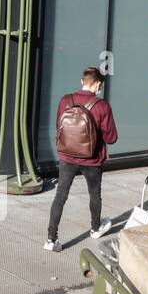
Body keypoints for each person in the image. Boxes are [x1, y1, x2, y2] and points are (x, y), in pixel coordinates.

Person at [45, 66, 118, 252]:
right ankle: (95, 228)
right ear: (98, 84)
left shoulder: (65, 100)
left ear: (82, 82)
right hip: (91, 159)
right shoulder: (102, 106)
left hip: (67, 155)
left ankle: (51, 239)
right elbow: (111, 138)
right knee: (94, 194)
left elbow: (59, 126)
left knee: (61, 195)